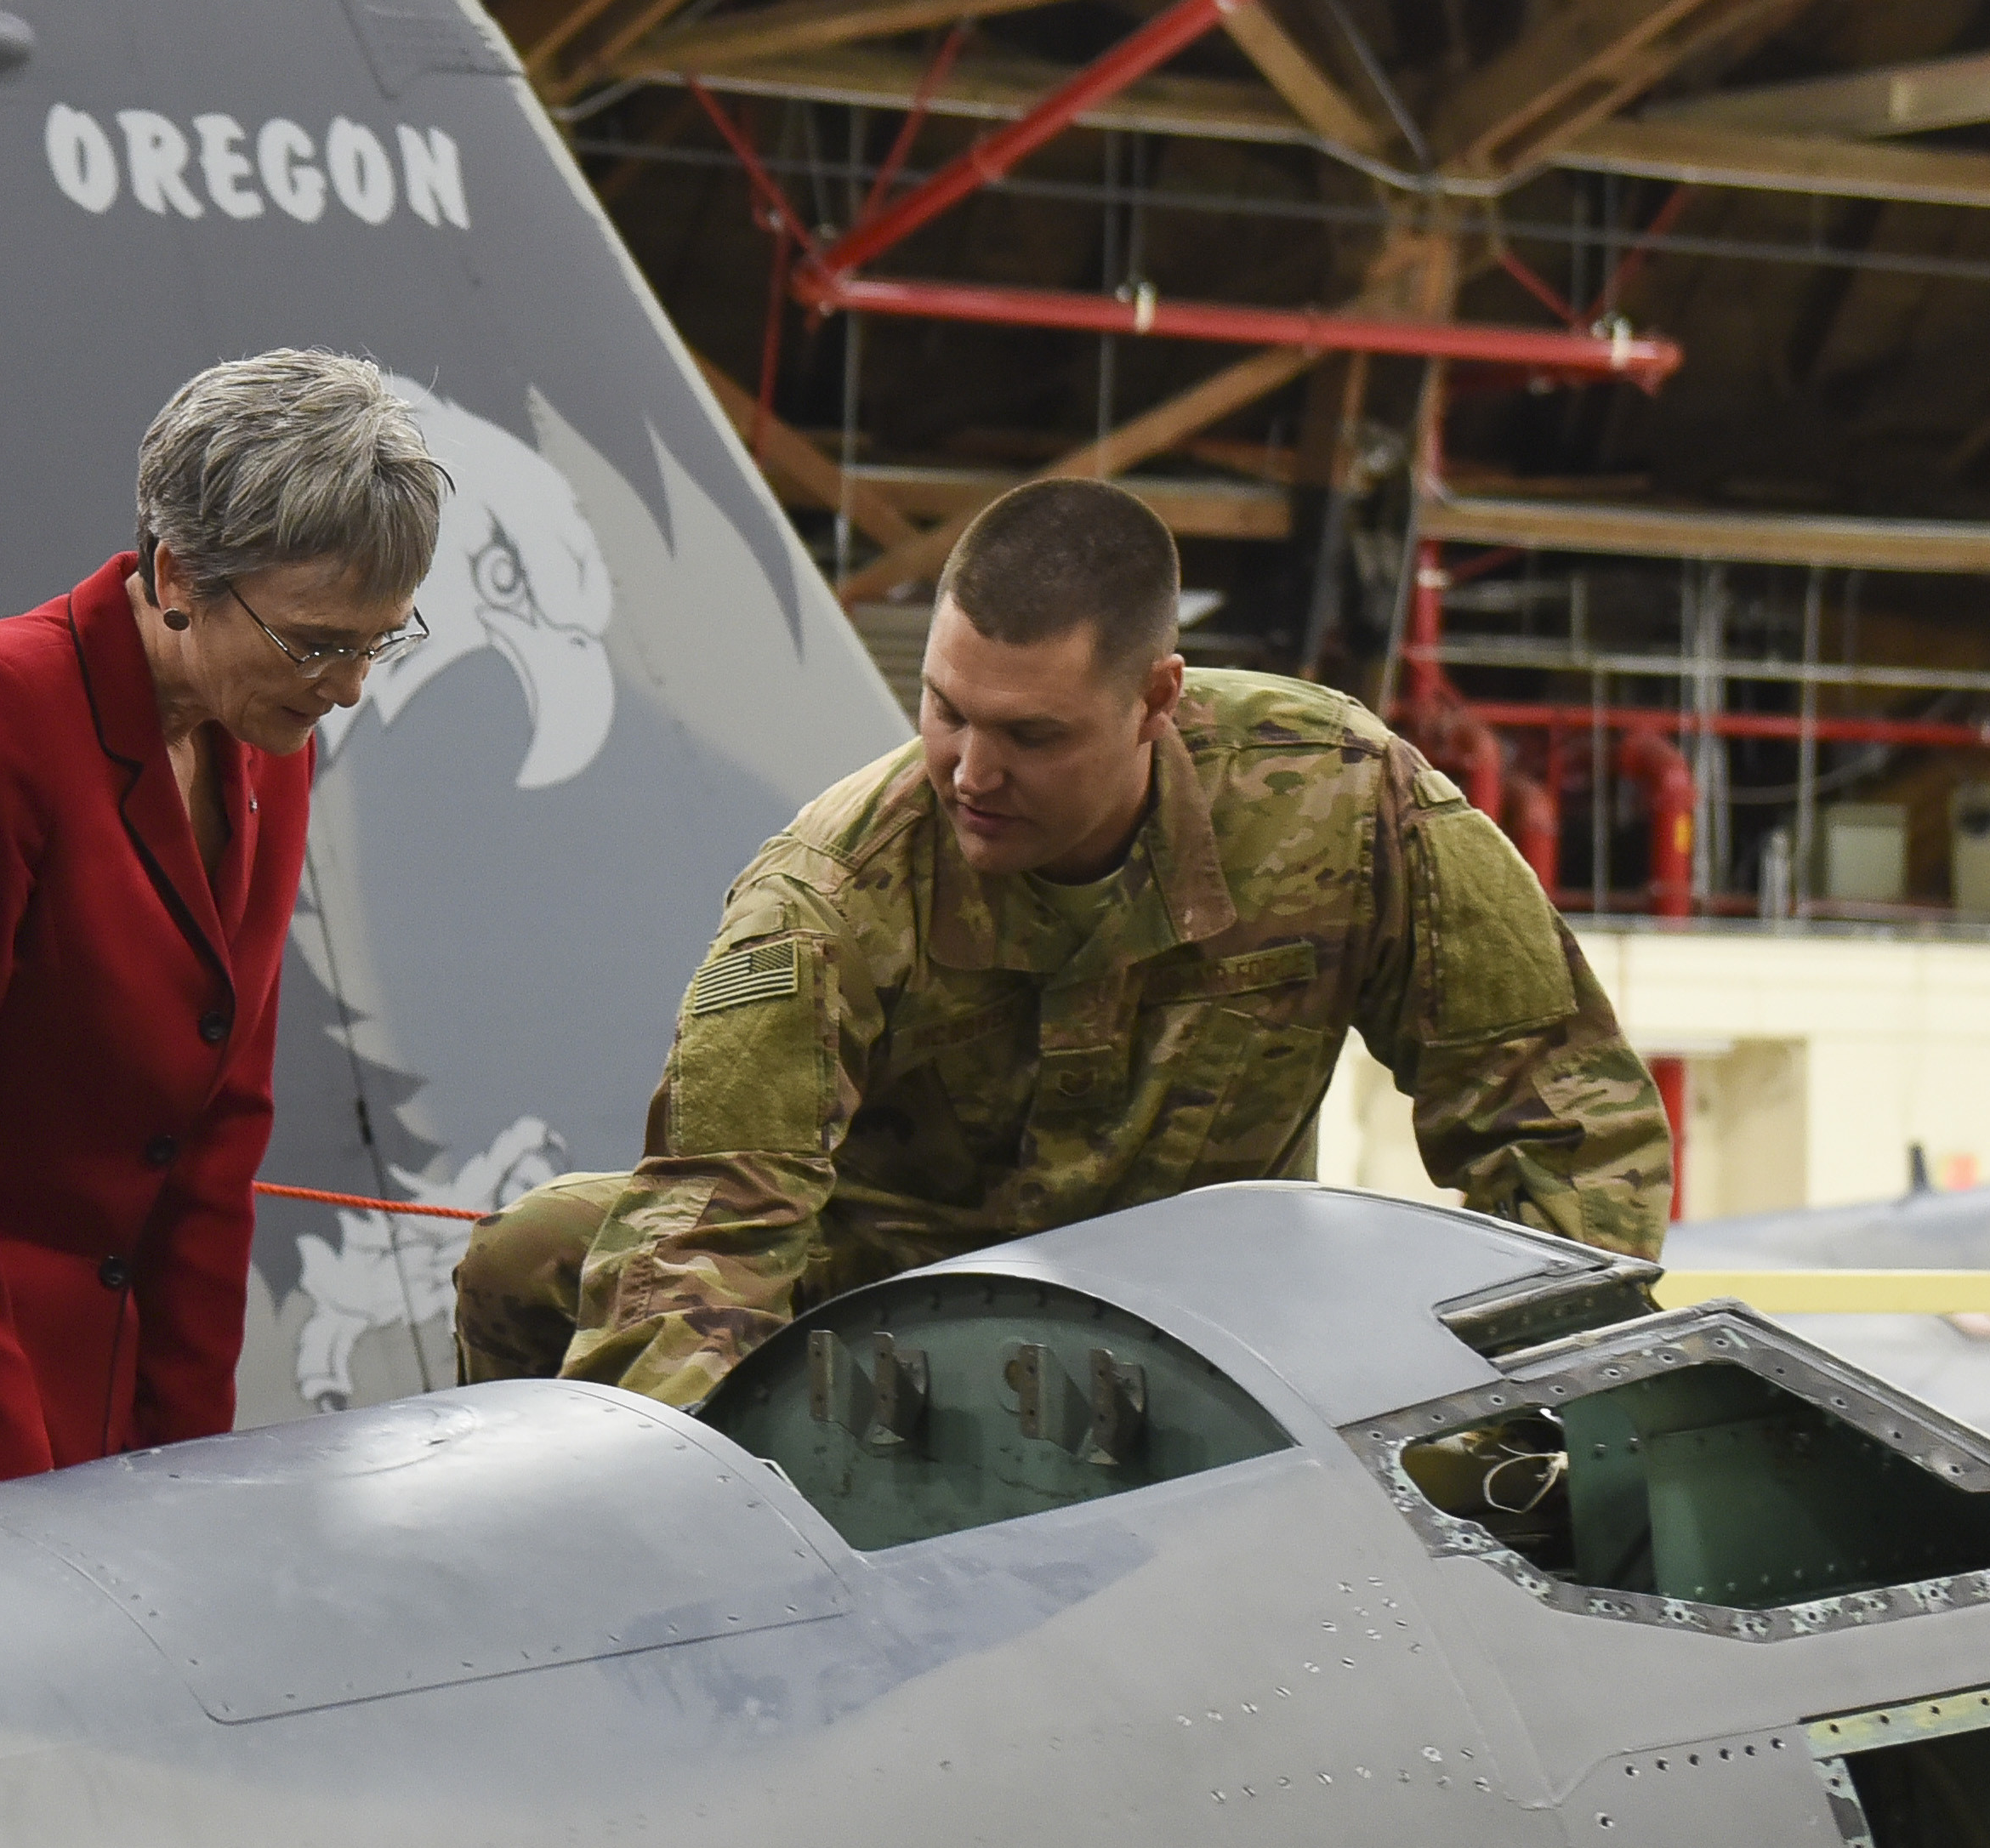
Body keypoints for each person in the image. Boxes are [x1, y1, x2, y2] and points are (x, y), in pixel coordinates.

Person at [454, 475, 1670, 1407]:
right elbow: (714, 1225)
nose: (970, 772)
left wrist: (1534, 1409)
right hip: (894, 1303)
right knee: (539, 1249)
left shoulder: (1343, 804)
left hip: (1218, 1317)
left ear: (1158, 700)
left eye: (1030, 735)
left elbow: (1564, 1119)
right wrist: (649, 1536)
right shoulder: (829, 891)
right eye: (944, 709)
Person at [0, 352, 442, 1492]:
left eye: (378, 641)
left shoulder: (263, 739)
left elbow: (219, 1129)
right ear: (178, 575)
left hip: (79, 1397)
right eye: (318, 641)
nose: (350, 686)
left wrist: (184, 1457)